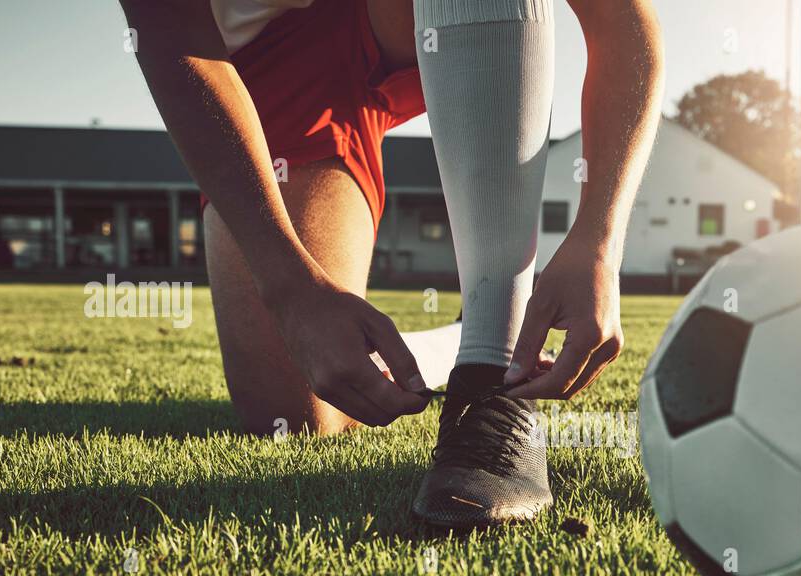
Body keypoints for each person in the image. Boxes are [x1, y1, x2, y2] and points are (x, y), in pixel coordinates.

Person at [118, 0, 664, 526]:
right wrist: (291, 288)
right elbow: (172, 37)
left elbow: (619, 13)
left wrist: (600, 240)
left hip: (397, 19)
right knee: (299, 412)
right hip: (262, 60)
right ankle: (454, 340)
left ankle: (490, 364)